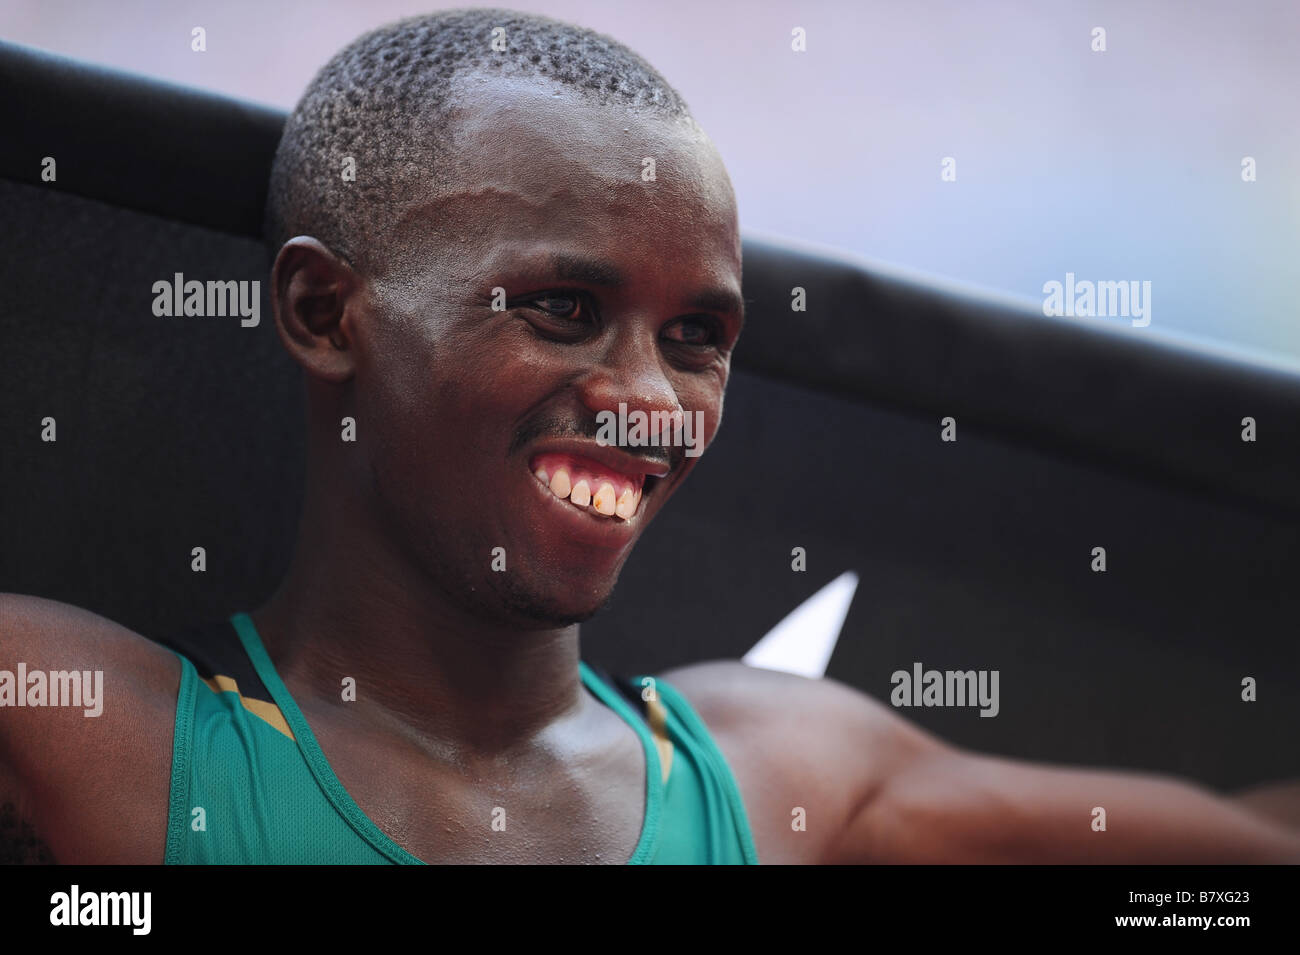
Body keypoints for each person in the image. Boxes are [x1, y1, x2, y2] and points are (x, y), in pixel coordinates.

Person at [2, 8, 1297, 865]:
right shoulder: (88, 725)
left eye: (699, 338)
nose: (651, 401)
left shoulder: (781, 772)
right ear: (323, 311)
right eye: (564, 312)